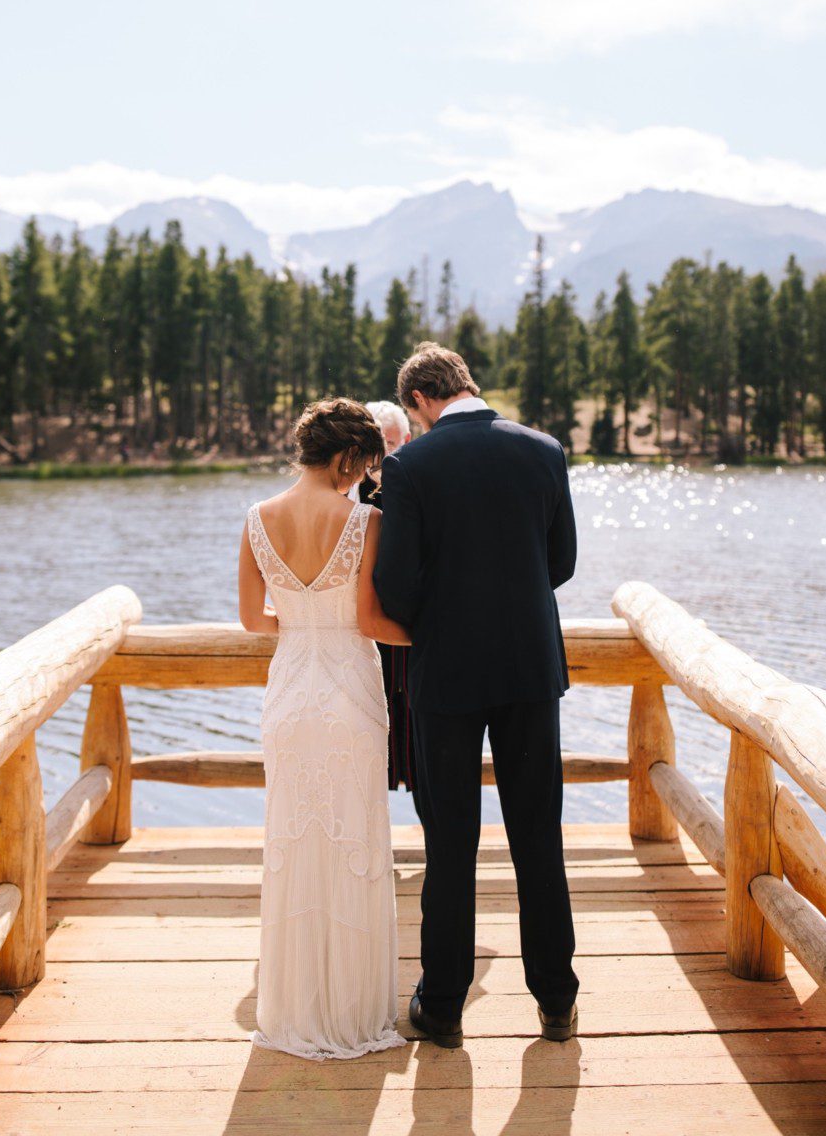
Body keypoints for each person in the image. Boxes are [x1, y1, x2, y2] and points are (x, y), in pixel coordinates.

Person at [372, 343, 580, 1048]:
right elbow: (561, 562)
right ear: (465, 383)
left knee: (451, 843)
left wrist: (442, 617)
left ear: (419, 400)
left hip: (447, 675)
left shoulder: (409, 464)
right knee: (538, 836)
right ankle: (556, 1001)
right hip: (529, 669)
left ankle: (443, 1007)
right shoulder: (544, 450)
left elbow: (394, 584)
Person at [237, 397, 410, 1060]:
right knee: (353, 842)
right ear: (347, 457)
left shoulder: (257, 518)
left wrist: (302, 621)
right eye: (364, 466)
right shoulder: (365, 520)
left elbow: (253, 619)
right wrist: (433, 635)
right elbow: (370, 622)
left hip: (290, 693)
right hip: (349, 694)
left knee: (293, 841)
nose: (364, 478)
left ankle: (295, 1010)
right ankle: (350, 1013)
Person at [358, 400, 420, 817]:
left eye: (392, 444)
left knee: (421, 742)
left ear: (407, 440)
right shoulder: (346, 494)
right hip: (365, 633)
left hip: (412, 636)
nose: (383, 457)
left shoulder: (417, 485)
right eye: (376, 447)